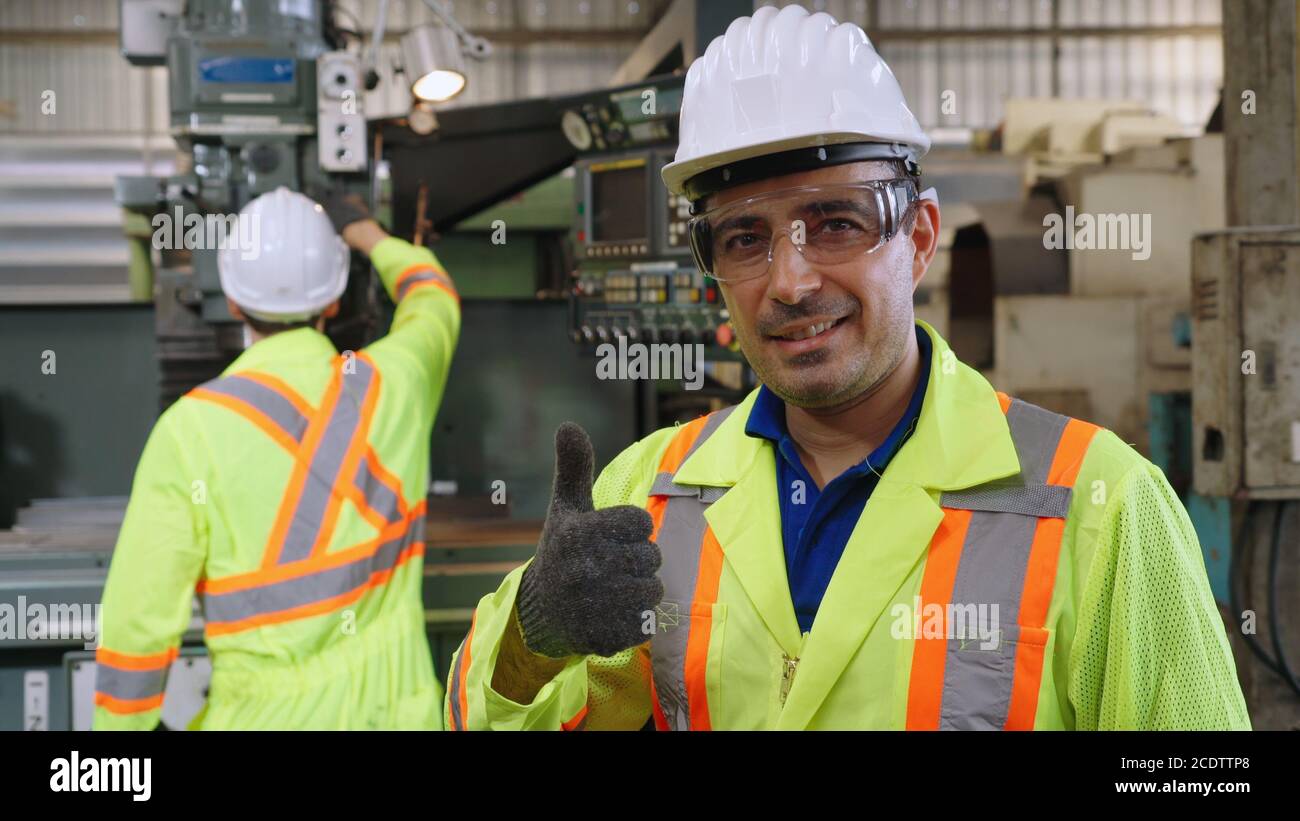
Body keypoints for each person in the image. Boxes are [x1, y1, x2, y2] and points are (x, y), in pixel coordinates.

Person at [444, 4, 1249, 730]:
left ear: (921, 237)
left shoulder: (1101, 510)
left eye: (835, 222)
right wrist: (531, 640)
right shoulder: (647, 492)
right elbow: (479, 715)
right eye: (745, 238)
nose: (790, 283)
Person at [94, 188, 460, 729]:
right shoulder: (395, 384)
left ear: (234, 301)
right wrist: (368, 235)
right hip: (396, 713)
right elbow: (433, 297)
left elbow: (137, 626)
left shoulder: (188, 432)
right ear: (334, 300)